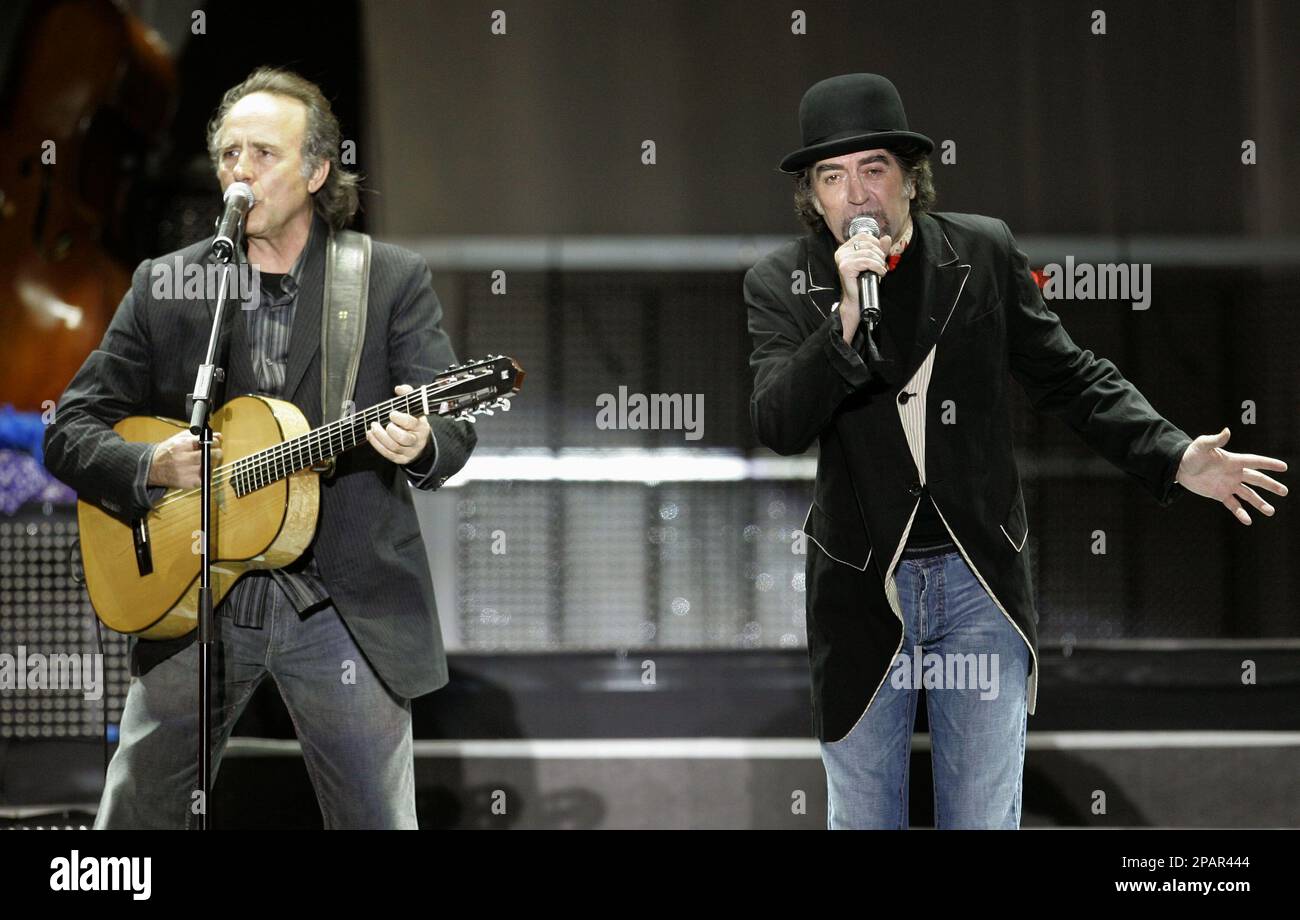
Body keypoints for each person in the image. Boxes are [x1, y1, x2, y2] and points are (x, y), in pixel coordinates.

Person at [745, 73, 1288, 829]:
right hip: (864, 587)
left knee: (984, 817)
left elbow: (1068, 375)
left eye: (874, 169)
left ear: (909, 180)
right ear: (814, 195)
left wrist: (1171, 455)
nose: (857, 195)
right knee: (865, 818)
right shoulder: (780, 283)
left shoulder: (983, 252)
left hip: (977, 579)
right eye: (833, 177)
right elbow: (776, 421)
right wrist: (841, 319)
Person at [44, 67, 477, 829]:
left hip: (341, 599)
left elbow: (453, 427)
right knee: (135, 819)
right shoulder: (166, 285)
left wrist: (421, 439)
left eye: (263, 155)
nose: (239, 171)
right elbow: (69, 427)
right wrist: (149, 466)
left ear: (316, 171)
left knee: (376, 818)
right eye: (229, 154)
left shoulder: (387, 281)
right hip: (199, 590)